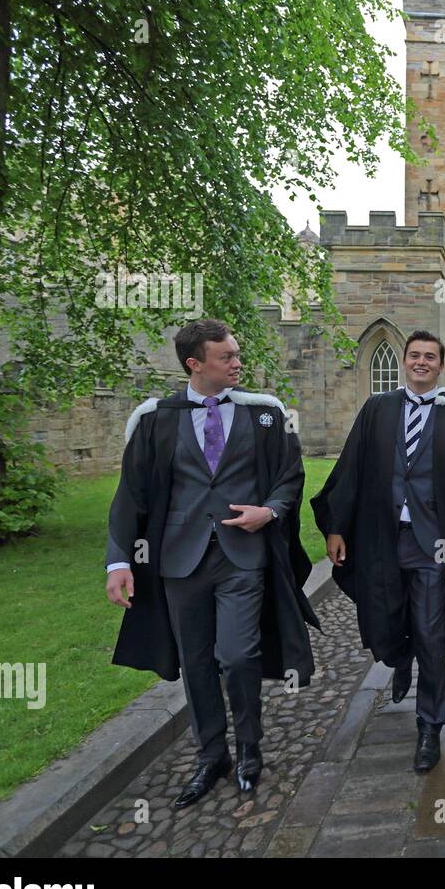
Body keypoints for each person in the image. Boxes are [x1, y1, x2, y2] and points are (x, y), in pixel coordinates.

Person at [105, 318, 318, 808]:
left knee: (239, 655)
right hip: (180, 561)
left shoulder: (264, 415)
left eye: (237, 354)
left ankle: (249, 749)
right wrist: (118, 562)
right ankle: (211, 755)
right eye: (227, 357)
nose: (238, 363)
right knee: (196, 662)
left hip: (243, 557)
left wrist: (270, 511)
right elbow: (131, 494)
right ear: (194, 364)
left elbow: (290, 475)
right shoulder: (156, 420)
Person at [311, 330, 445, 772]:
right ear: (404, 361)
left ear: (441, 365)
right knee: (383, 622)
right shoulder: (378, 409)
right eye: (415, 355)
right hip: (381, 540)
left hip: (433, 545)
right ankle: (399, 656)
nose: (421, 362)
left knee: (431, 634)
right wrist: (336, 527)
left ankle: (429, 726)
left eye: (430, 357)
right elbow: (350, 468)